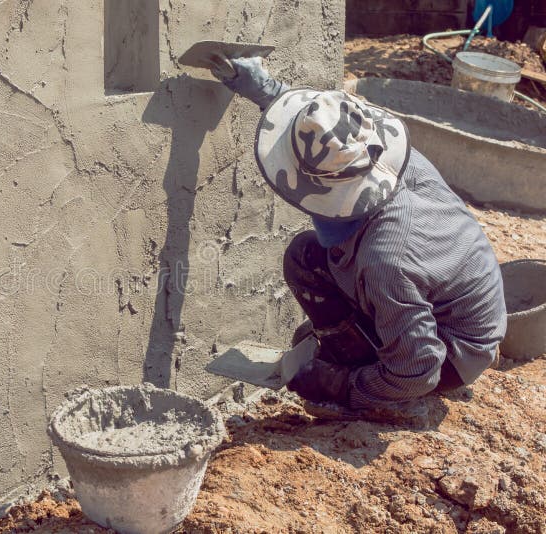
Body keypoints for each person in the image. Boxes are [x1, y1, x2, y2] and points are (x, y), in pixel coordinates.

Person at [209, 56, 507, 416]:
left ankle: (387, 399)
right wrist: (267, 90)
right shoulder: (387, 159)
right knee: (306, 257)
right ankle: (356, 351)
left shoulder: (385, 263)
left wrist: (341, 386)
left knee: (360, 370)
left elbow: (417, 369)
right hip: (455, 302)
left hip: (450, 352)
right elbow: (330, 138)